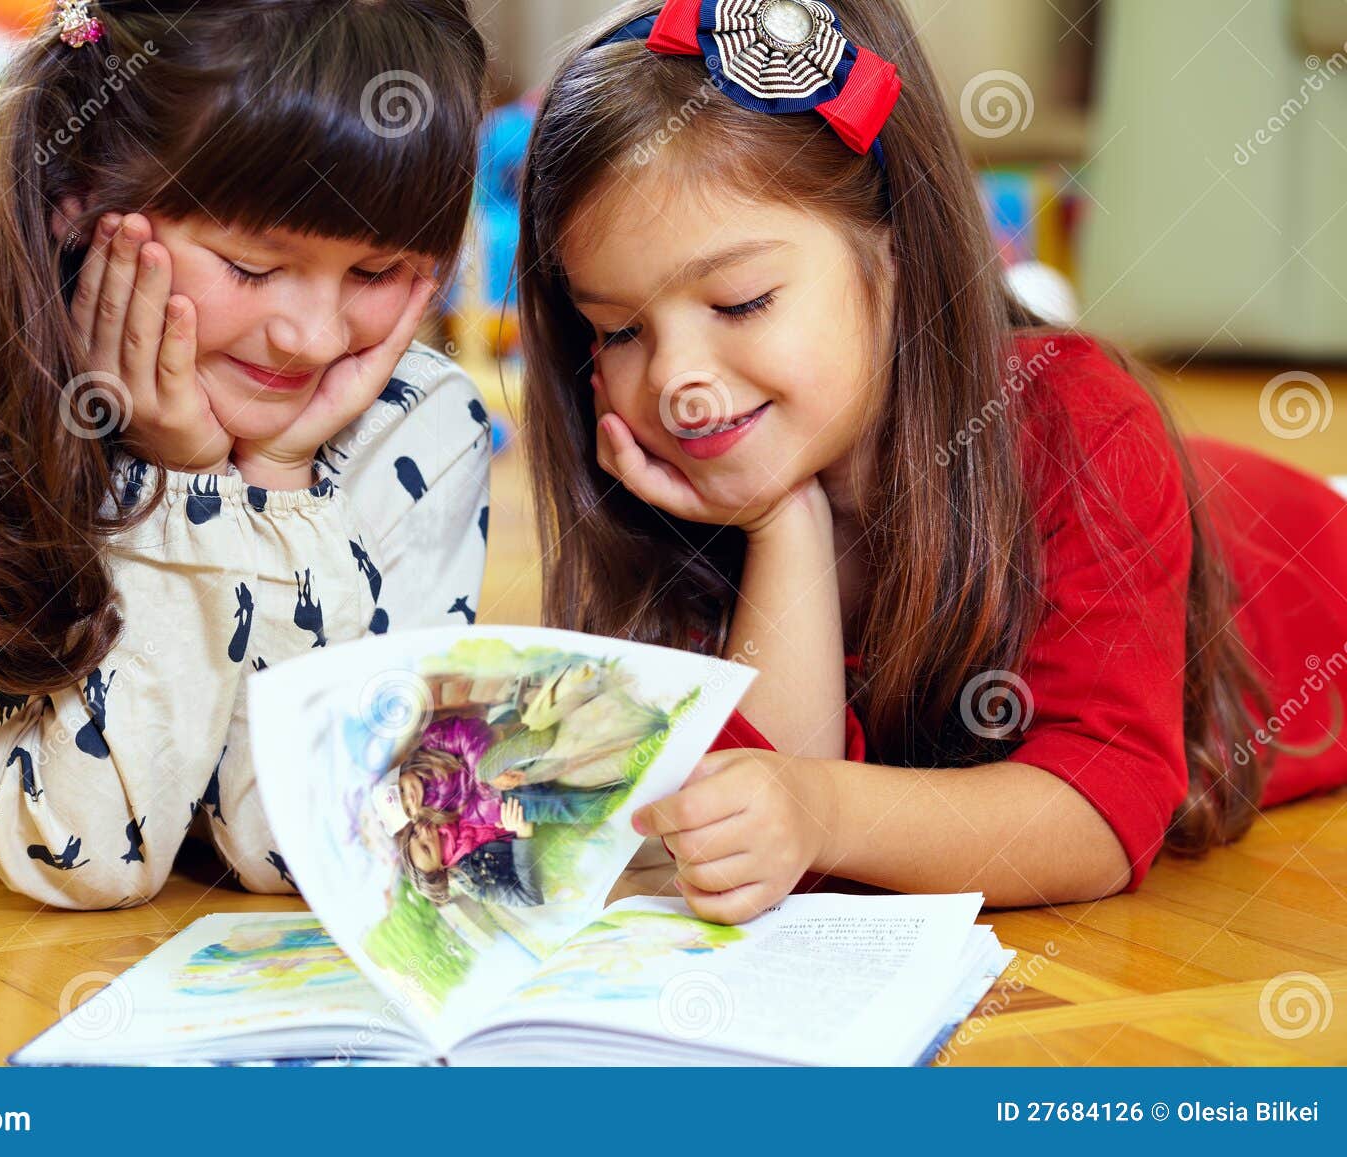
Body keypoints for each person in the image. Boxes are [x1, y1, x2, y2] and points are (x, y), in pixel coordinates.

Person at [516, 0, 1347, 922]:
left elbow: (1100, 815)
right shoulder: (686, 491)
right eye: (620, 330)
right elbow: (751, 814)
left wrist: (824, 811)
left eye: (742, 303)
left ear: (900, 248)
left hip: (1316, 558)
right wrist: (781, 518)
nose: (675, 379)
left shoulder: (1080, 427)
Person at [0, 0, 491, 911]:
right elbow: (90, 855)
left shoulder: (424, 424)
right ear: (80, 201)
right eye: (253, 267)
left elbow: (297, 844)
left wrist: (267, 483)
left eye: (376, 274)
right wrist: (178, 479)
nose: (310, 336)